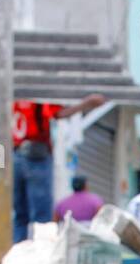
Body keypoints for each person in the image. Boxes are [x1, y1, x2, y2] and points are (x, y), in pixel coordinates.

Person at [12, 94, 105, 242]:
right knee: (41, 217)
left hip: (12, 155)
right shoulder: (37, 96)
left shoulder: (7, 97)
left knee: (19, 215)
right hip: (36, 156)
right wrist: (86, 104)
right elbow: (58, 113)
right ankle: (40, 253)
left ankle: (17, 250)